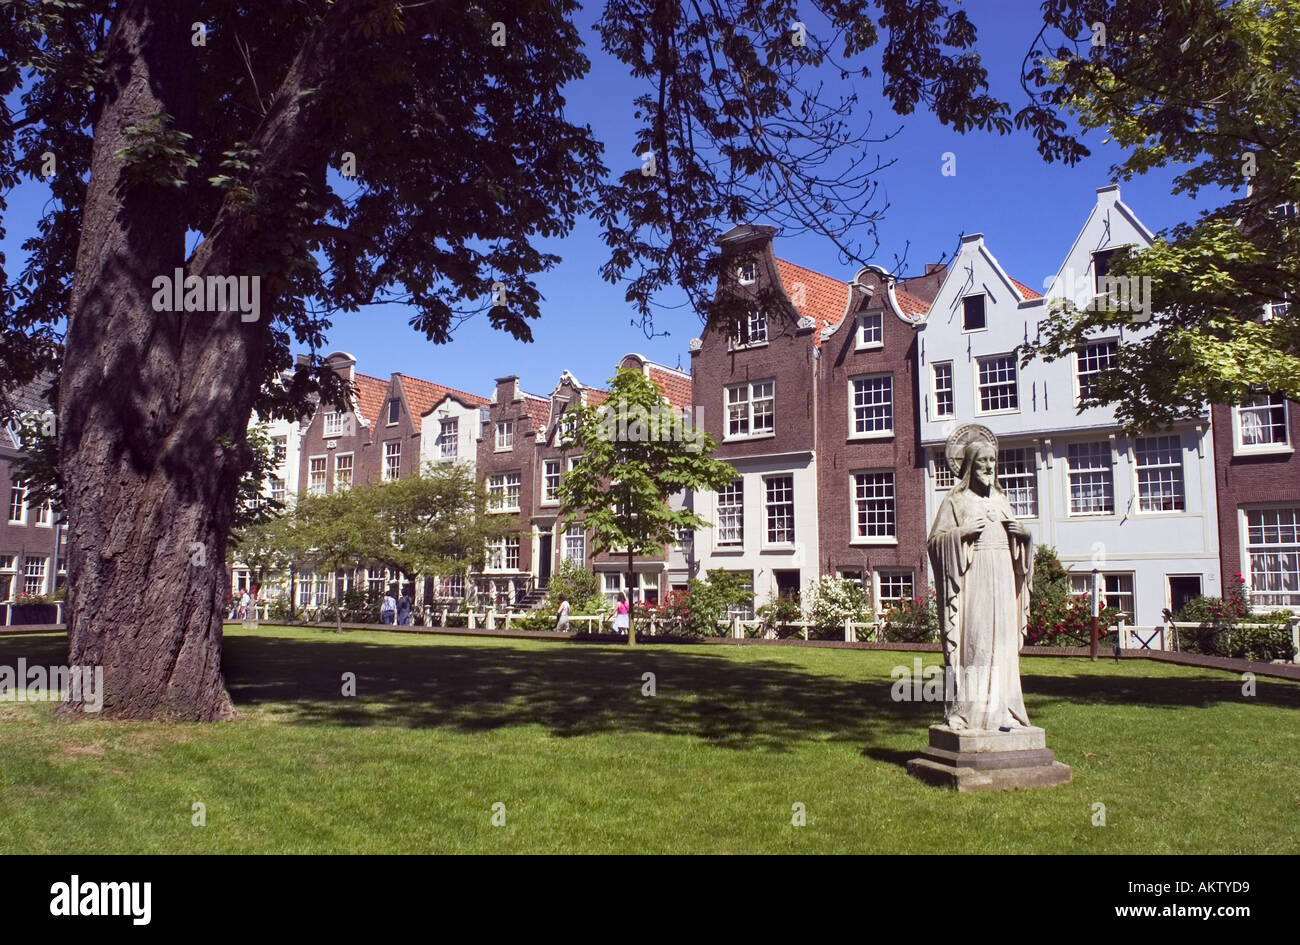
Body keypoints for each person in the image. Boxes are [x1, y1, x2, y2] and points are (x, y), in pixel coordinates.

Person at [927, 425, 1033, 732]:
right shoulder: (955, 502)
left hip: (1003, 578)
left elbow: (1019, 544)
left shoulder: (1002, 501)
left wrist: (1025, 537)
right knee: (976, 642)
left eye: (992, 461)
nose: (988, 467)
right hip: (973, 583)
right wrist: (961, 534)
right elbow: (935, 542)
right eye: (982, 461)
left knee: (1003, 644)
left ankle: (1004, 711)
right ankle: (968, 711)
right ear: (970, 465)